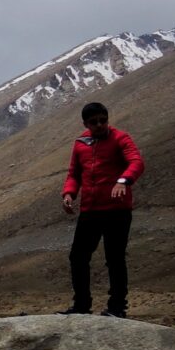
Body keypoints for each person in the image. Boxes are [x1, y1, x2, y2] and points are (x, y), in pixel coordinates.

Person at [59, 101, 143, 317]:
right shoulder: (80, 144)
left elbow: (136, 162)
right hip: (90, 210)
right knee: (77, 257)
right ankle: (81, 306)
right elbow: (74, 174)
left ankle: (117, 308)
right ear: (86, 123)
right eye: (94, 122)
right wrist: (69, 194)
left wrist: (123, 181)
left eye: (103, 120)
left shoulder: (120, 138)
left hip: (117, 210)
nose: (100, 125)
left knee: (114, 258)